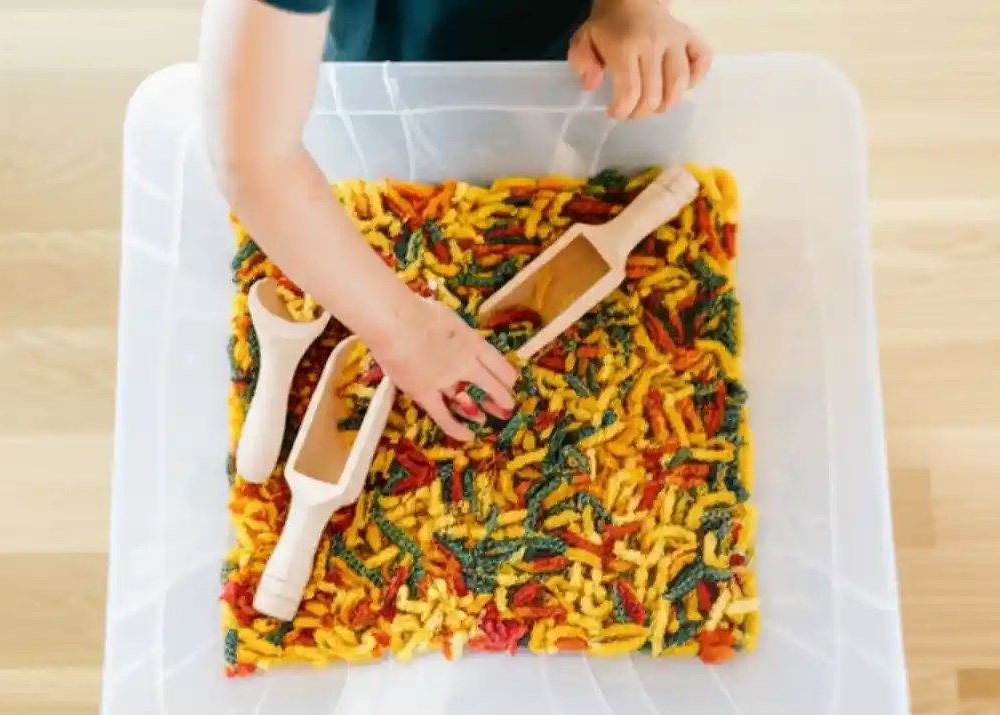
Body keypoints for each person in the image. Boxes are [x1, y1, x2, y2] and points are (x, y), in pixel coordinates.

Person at [200, 0, 713, 442]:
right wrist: (399, 331)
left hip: (578, 49)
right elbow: (254, 157)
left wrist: (631, 8)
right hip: (387, 69)